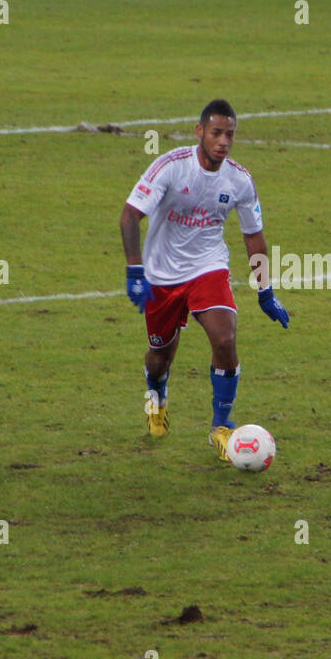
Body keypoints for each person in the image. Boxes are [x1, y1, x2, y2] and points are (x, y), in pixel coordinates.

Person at [120, 100, 290, 462]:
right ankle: (157, 396)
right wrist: (135, 270)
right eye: (216, 133)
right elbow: (130, 215)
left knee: (225, 336)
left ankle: (221, 427)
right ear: (200, 132)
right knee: (159, 356)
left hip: (207, 267)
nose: (223, 141)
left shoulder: (239, 180)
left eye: (230, 134)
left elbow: (253, 236)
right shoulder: (170, 167)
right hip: (162, 274)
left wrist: (265, 290)